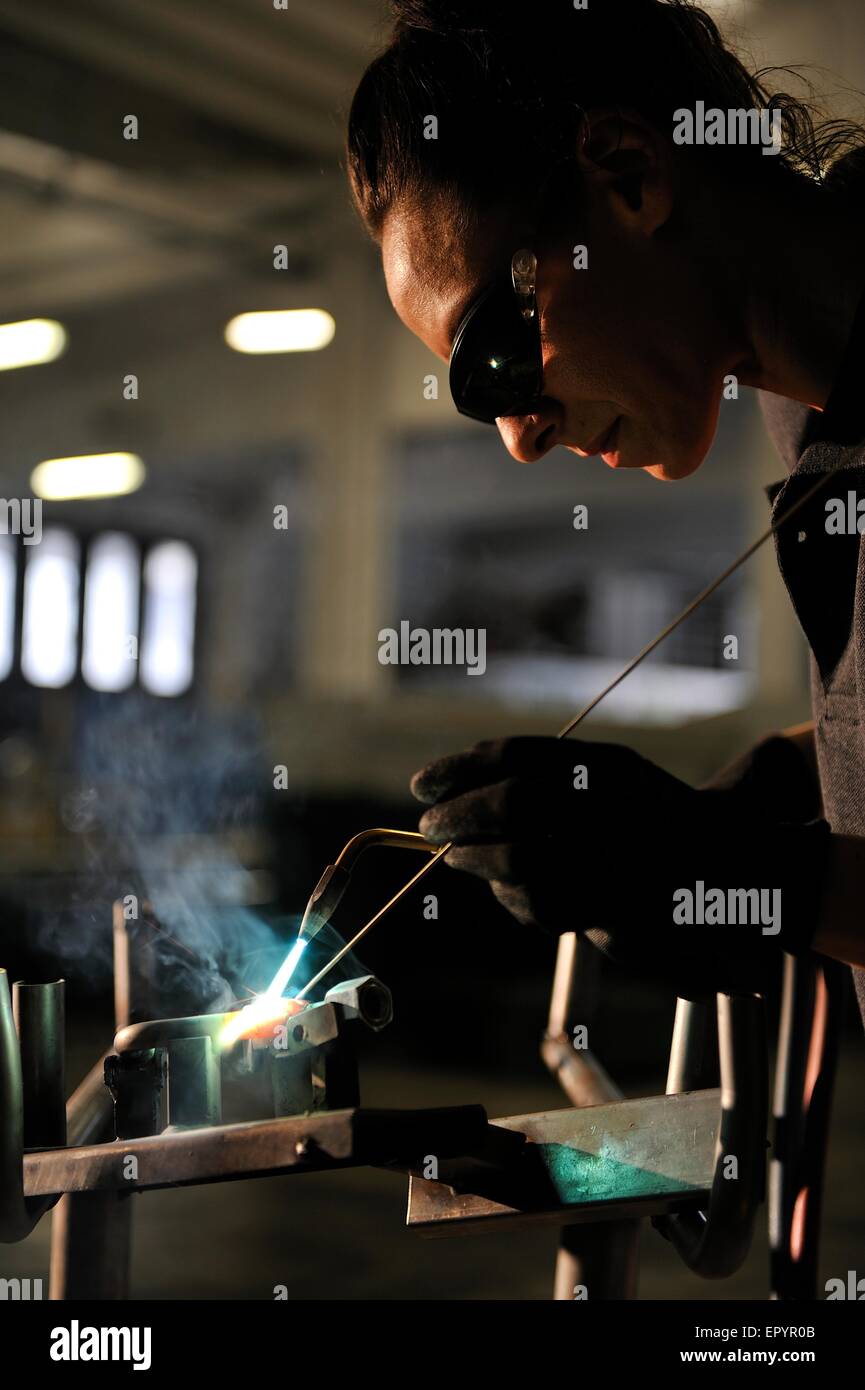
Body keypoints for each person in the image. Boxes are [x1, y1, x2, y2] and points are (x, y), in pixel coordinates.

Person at [346, 0, 865, 1010]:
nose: (521, 436)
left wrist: (753, 876)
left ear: (627, 177)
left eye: (491, 354)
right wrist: (790, 775)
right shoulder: (808, 414)